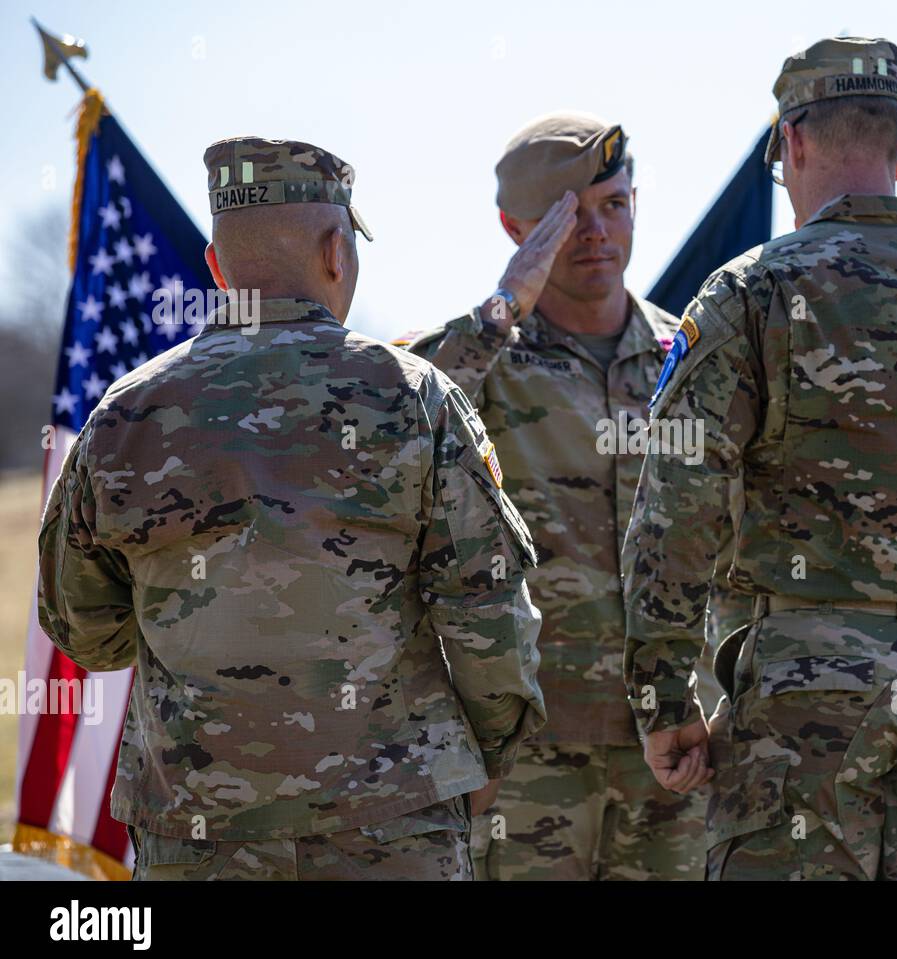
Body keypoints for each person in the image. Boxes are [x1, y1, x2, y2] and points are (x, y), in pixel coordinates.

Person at [37, 137, 545, 881]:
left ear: (215, 268)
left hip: (197, 836)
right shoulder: (414, 398)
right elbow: (487, 611)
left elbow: (87, 632)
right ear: (337, 252)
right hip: (391, 826)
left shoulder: (122, 417)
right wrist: (486, 752)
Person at [622, 36, 897, 880]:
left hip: (813, 682)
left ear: (793, 145)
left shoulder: (750, 293)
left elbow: (678, 509)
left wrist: (662, 697)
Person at [400, 113, 708, 880]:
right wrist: (503, 308)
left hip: (671, 739)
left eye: (615, 205)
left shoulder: (693, 359)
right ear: (515, 228)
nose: (598, 233)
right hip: (528, 749)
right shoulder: (475, 360)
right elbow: (385, 440)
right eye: (566, 219)